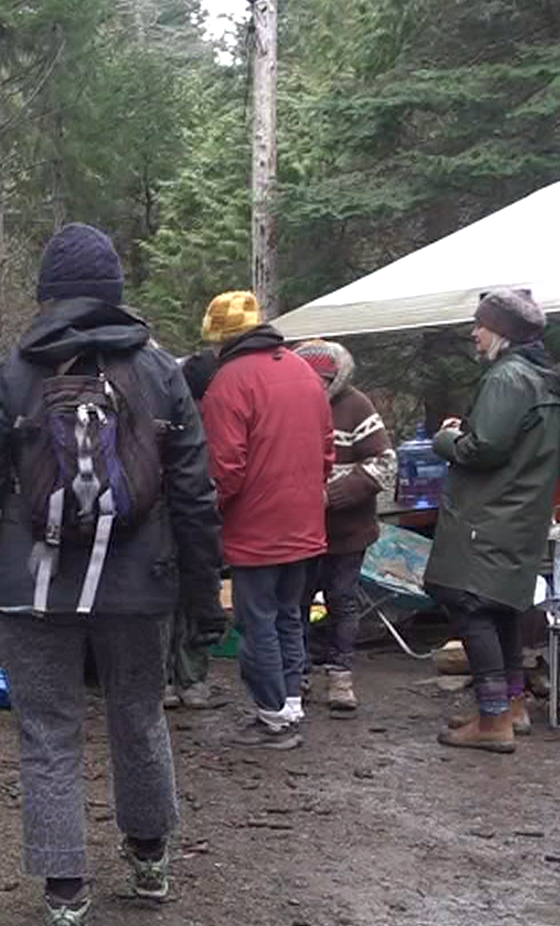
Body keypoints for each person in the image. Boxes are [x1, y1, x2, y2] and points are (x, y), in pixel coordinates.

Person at [0, 223, 225, 926]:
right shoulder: (160, 373)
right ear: (116, 293)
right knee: (138, 716)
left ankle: (65, 897)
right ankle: (151, 860)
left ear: (47, 294)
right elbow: (194, 493)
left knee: (48, 731)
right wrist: (203, 595)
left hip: (33, 589)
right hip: (140, 584)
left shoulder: (13, 376)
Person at [427, 289, 560, 751]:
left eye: (481, 325)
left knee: (469, 603)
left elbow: (484, 448)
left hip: (490, 511)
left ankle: (494, 720)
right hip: (521, 511)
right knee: (501, 604)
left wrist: (447, 439)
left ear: (503, 332)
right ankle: (512, 706)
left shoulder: (509, 377)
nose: (474, 333)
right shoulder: (542, 378)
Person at [199, 290, 334, 750]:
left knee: (255, 622)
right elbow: (326, 450)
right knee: (290, 615)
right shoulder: (303, 371)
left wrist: (208, 511)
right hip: (307, 523)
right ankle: (291, 700)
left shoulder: (229, 383)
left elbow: (226, 467)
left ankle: (272, 714)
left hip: (257, 527)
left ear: (221, 339)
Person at [292, 339, 396, 716]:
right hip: (300, 529)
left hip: (349, 529)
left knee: (342, 599)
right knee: (297, 600)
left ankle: (341, 674)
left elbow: (383, 463)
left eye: (324, 379)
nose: (318, 385)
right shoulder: (292, 404)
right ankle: (298, 673)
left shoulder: (357, 405)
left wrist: (330, 495)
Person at [165, 349, 224, 711]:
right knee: (200, 594)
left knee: (171, 599)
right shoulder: (213, 414)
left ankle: (169, 680)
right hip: (202, 517)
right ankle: (191, 680)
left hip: (172, 515)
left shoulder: (170, 409)